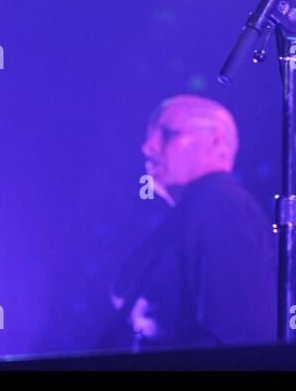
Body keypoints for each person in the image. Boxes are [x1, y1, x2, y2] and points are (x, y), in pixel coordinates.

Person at [109, 94, 274, 349]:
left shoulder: (220, 203)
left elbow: (235, 332)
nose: (148, 147)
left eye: (166, 133)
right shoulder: (202, 207)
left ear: (215, 142)